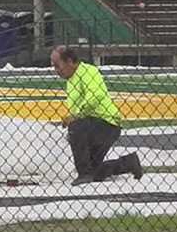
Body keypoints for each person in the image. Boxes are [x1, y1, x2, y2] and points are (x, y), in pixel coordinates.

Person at [50, 45, 144, 186]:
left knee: (76, 127)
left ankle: (84, 174)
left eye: (58, 66)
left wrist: (76, 116)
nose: (56, 70)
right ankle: (128, 163)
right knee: (96, 172)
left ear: (70, 61)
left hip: (106, 123)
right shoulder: (72, 80)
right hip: (95, 124)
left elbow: (96, 95)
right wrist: (73, 116)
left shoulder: (88, 71)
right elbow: (80, 105)